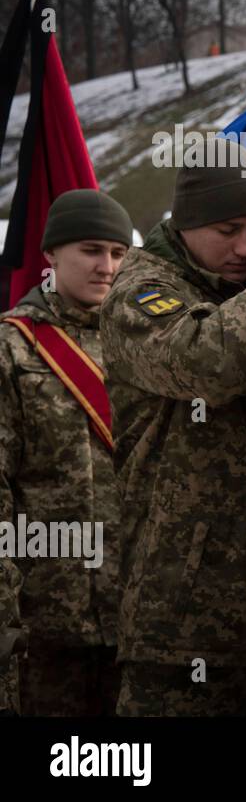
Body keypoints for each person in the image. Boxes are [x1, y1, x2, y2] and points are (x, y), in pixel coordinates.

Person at [100, 143, 246, 715]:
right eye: (227, 230)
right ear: (184, 226)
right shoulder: (140, 292)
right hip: (182, 625)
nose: (245, 247)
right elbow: (214, 360)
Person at [0, 189, 132, 715]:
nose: (106, 267)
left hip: (138, 619)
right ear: (52, 254)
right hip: (45, 621)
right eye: (92, 250)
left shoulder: (143, 344)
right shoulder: (12, 350)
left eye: (119, 254)